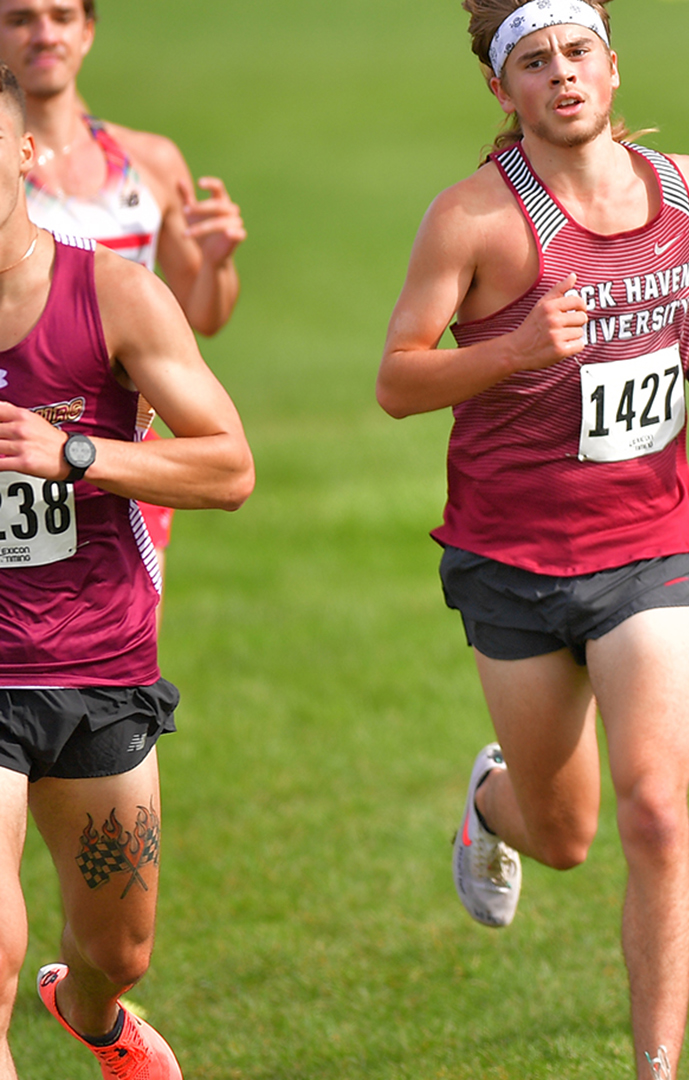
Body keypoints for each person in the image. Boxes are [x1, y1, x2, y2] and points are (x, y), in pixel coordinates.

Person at [375, 2, 689, 1076]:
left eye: (579, 54)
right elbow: (399, 378)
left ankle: (657, 1068)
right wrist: (518, 346)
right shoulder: (474, 220)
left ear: (614, 69)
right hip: (513, 556)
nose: (562, 76)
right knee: (567, 835)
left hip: (650, 544)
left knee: (657, 814)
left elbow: (677, 316)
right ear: (503, 89)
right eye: (534, 62)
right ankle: (493, 800)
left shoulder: (684, 188)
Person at [0, 56, 253, 1080]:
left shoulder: (111, 293)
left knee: (116, 950)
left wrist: (75, 452)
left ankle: (97, 1015)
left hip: (97, 662)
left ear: (24, 154)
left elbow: (229, 465)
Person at [0, 0, 248, 595]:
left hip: (115, 436)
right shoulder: (7, 167)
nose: (43, 35)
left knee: (112, 619)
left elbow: (203, 315)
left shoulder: (151, 162)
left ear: (87, 33)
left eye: (61, 17)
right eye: (19, 19)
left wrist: (214, 264)